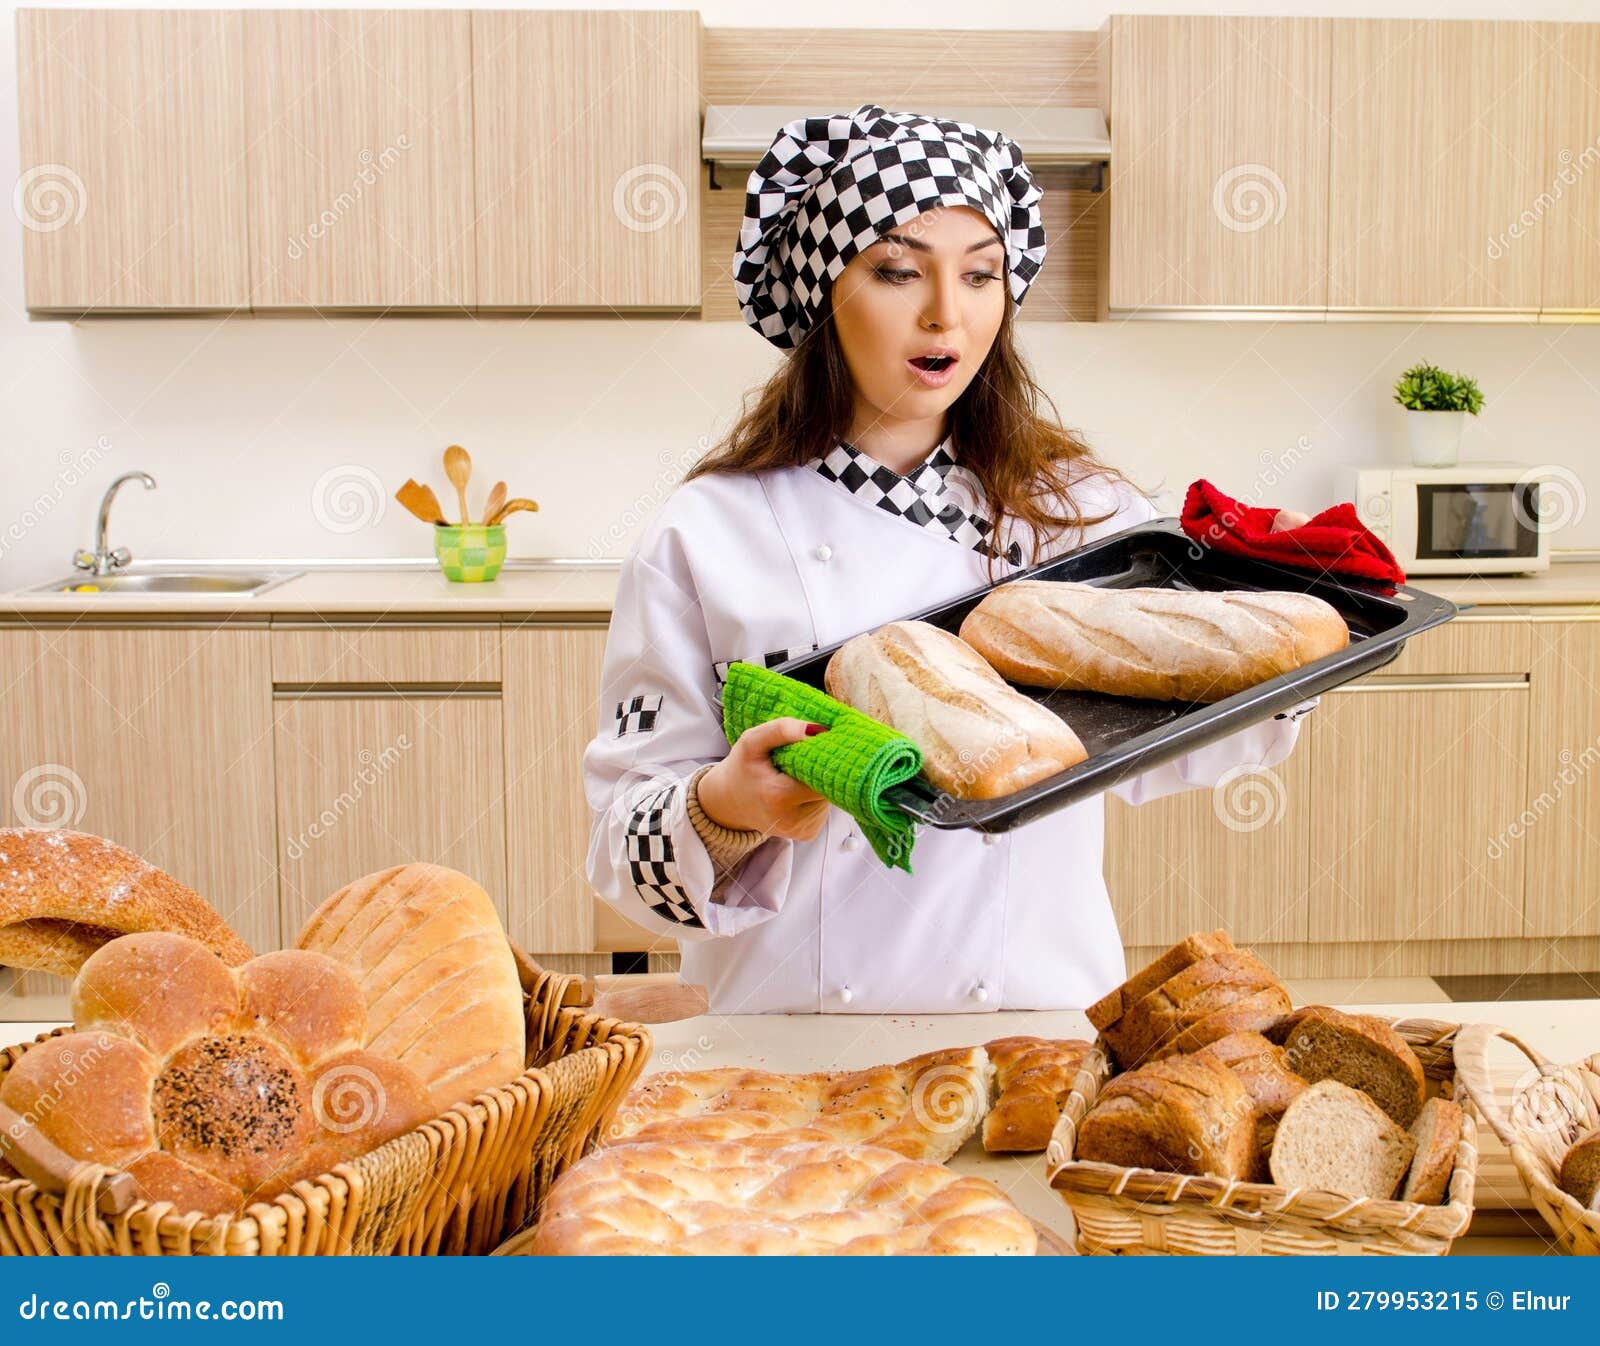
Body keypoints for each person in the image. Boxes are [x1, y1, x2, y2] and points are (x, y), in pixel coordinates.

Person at [582, 105, 1314, 1014]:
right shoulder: (707, 533)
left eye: (980, 275)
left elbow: (1178, 745)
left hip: (1032, 1021)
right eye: (897, 270)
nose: (946, 313)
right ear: (824, 291)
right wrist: (728, 806)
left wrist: (1295, 617)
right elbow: (622, 854)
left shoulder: (1081, 512)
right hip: (792, 1040)